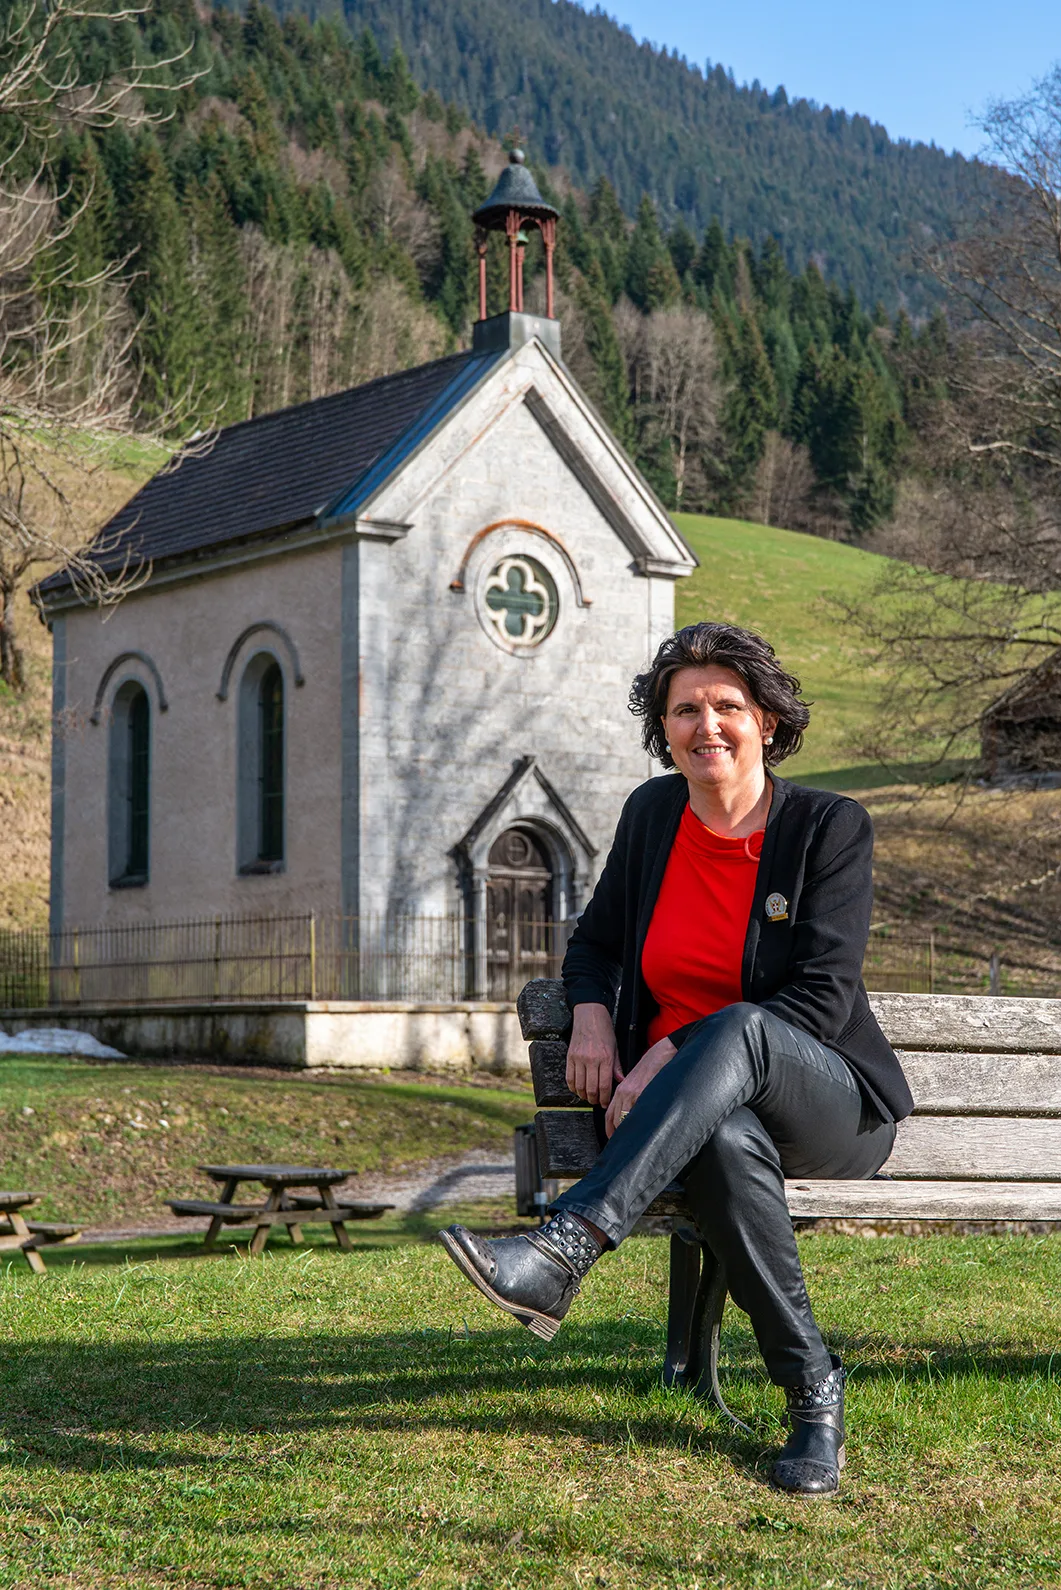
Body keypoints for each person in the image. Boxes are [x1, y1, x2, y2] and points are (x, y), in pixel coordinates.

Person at [440, 621, 913, 1496]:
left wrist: (662, 1055)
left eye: (728, 706)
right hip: (706, 1118)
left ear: (766, 721)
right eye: (684, 709)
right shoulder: (652, 814)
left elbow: (818, 998)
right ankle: (812, 1392)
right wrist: (587, 1017)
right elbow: (596, 943)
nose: (707, 726)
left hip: (828, 1104)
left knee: (737, 1027)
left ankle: (566, 1245)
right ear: (665, 730)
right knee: (726, 1144)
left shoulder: (828, 827)